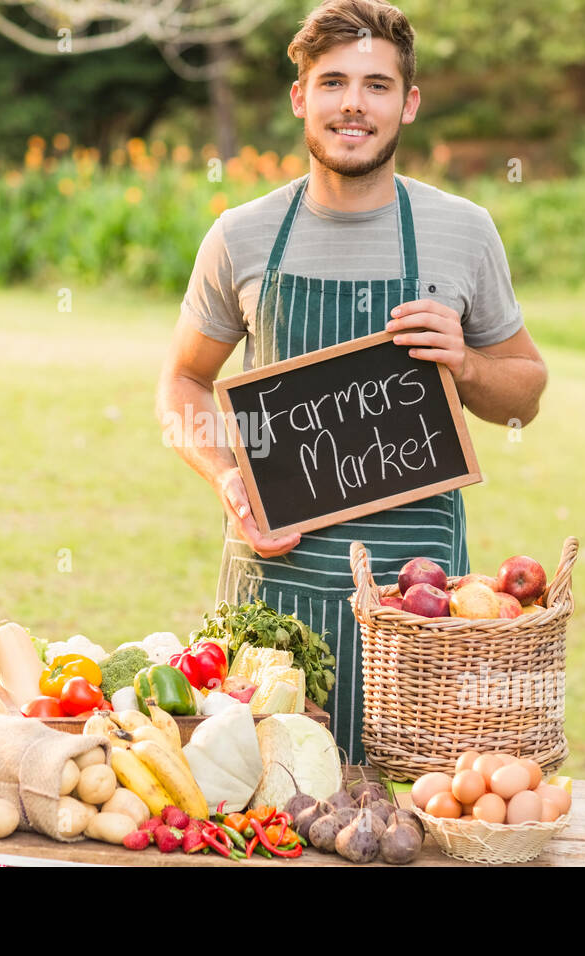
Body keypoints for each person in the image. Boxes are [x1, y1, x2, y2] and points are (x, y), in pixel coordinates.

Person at [155, 0, 548, 764]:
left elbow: (525, 392)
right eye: (332, 82)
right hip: (275, 588)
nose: (353, 104)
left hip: (418, 599)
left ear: (408, 103)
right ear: (300, 98)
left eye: (376, 84)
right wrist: (229, 479)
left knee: (401, 816)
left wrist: (466, 364)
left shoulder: (463, 230)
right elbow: (182, 383)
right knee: (261, 792)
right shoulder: (241, 234)